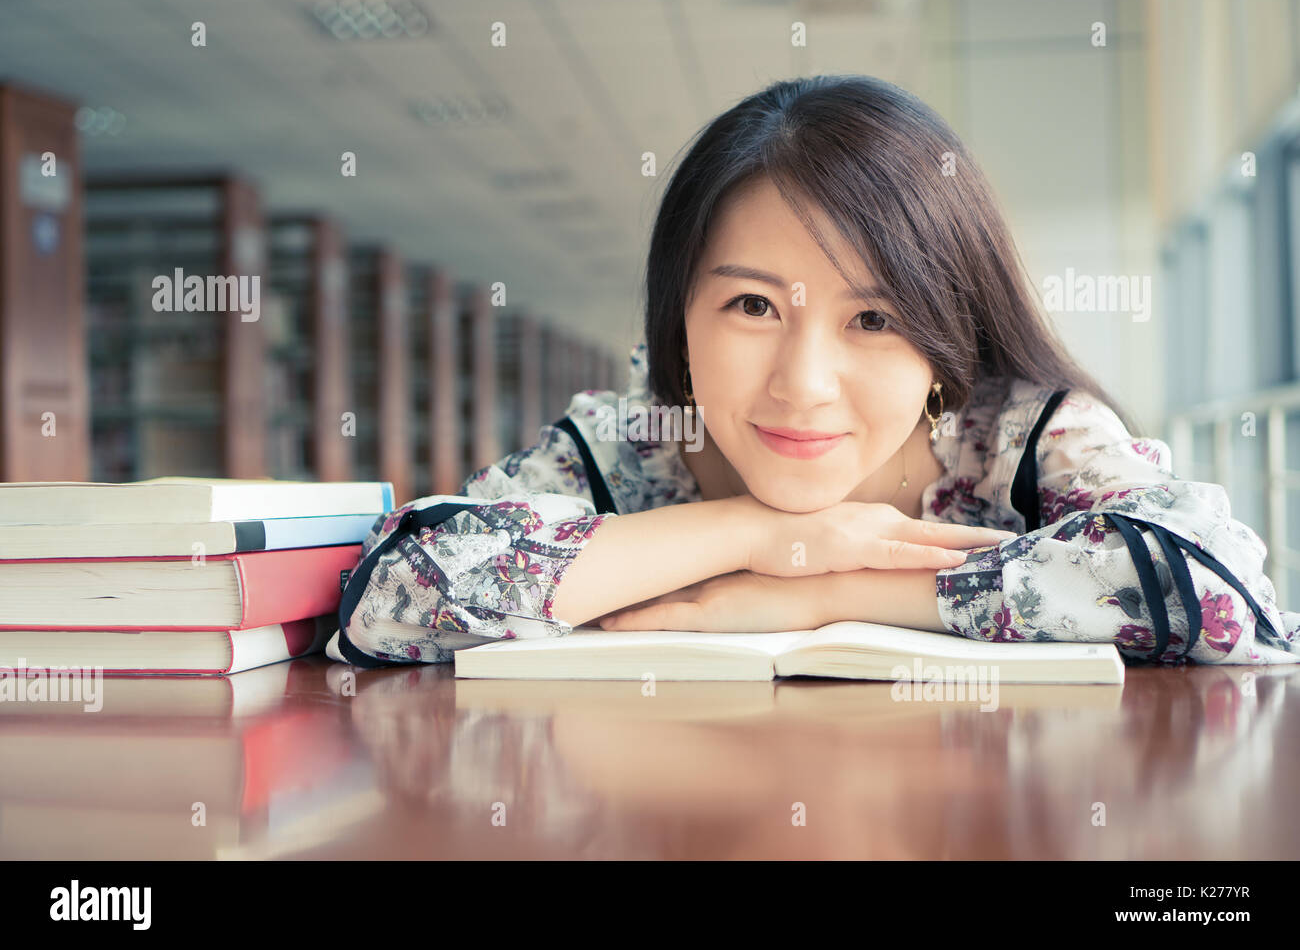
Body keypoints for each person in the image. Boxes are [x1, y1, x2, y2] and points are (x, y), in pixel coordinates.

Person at [326, 74, 1300, 668]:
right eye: (751, 305)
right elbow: (389, 595)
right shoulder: (631, 438)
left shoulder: (1021, 434)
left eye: (873, 317)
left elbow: (1223, 590)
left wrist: (827, 593)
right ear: (678, 317)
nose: (804, 381)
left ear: (943, 331)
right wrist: (763, 531)